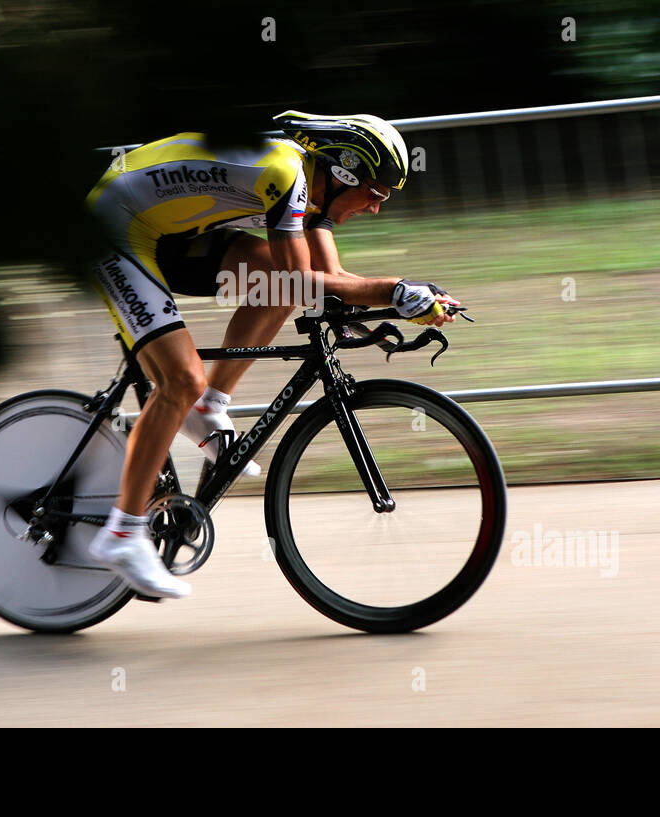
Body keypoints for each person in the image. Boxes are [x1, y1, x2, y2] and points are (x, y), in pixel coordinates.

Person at [83, 111, 460, 598]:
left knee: (273, 286)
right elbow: (307, 283)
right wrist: (395, 291)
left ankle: (206, 407)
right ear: (343, 171)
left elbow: (331, 283)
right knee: (178, 378)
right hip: (115, 229)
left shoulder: (311, 193)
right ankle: (121, 534)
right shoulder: (284, 176)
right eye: (376, 192)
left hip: (168, 232)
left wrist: (399, 299)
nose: (375, 208)